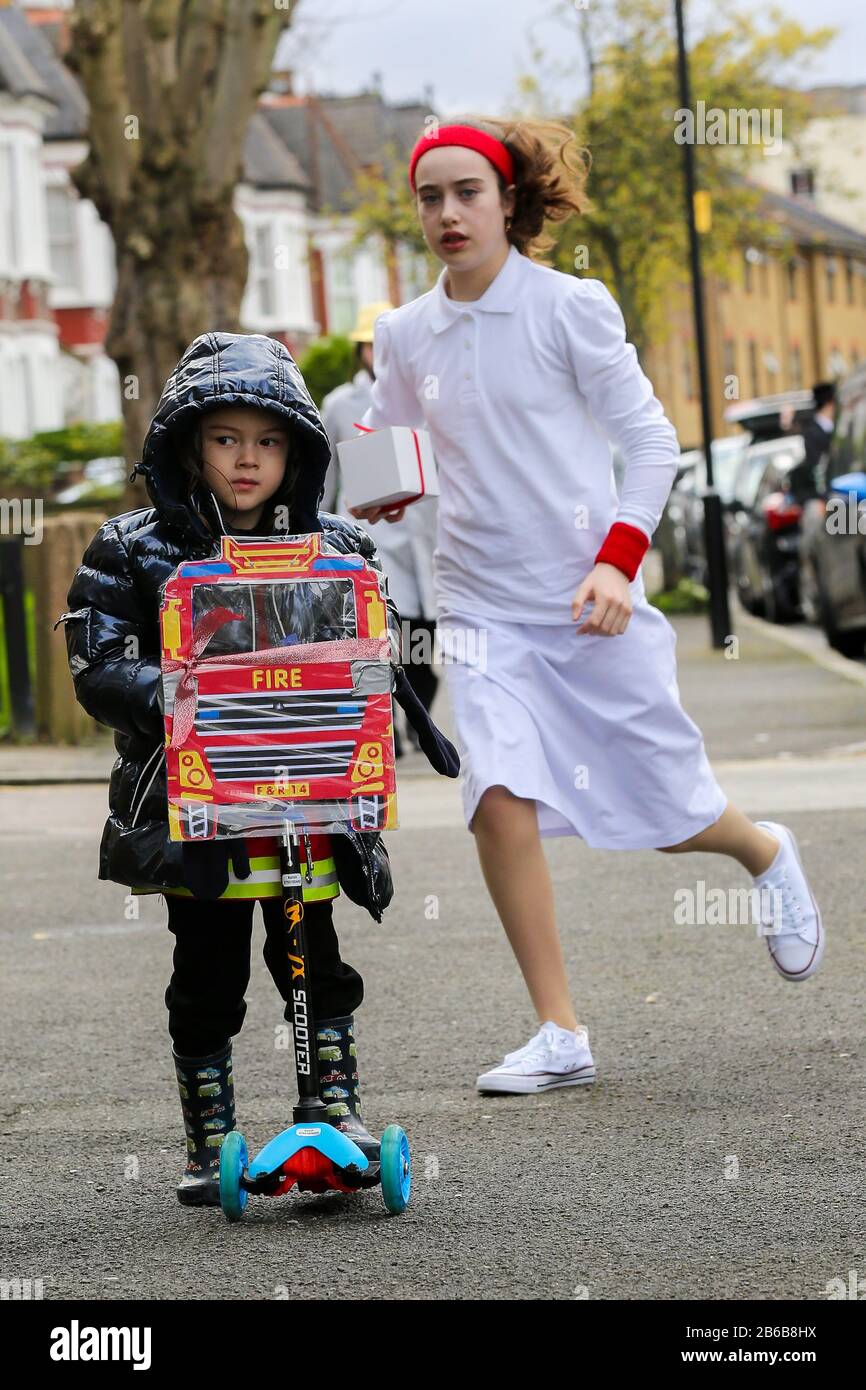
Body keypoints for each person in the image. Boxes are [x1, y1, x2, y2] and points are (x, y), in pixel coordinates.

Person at [349, 117, 825, 1096]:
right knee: (494, 800)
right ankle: (558, 1030)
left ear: (508, 200)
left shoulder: (570, 309)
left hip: (584, 602)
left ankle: (762, 847)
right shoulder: (403, 333)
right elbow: (387, 457)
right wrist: (372, 482)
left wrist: (616, 563)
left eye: (465, 193)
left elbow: (650, 446)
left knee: (663, 805)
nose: (445, 213)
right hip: (477, 608)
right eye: (428, 197)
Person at [57, 331, 458, 1204]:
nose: (248, 460)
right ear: (189, 445)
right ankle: (210, 1133)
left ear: (298, 451)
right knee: (205, 974)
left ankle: (333, 1102)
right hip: (195, 803)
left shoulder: (338, 544)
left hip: (306, 802)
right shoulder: (133, 545)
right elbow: (95, 664)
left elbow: (365, 656)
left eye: (268, 442)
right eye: (226, 440)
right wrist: (177, 685)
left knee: (316, 957)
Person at [321, 302, 440, 756]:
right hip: (364, 539)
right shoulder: (338, 405)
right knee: (370, 641)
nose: (380, 354)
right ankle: (382, 725)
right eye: (371, 345)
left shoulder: (426, 395)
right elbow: (326, 479)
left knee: (419, 646)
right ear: (360, 351)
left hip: (419, 540)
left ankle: (415, 717)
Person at [790, 380, 836, 504]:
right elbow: (817, 465)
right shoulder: (811, 432)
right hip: (826, 497)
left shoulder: (836, 428)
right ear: (830, 404)